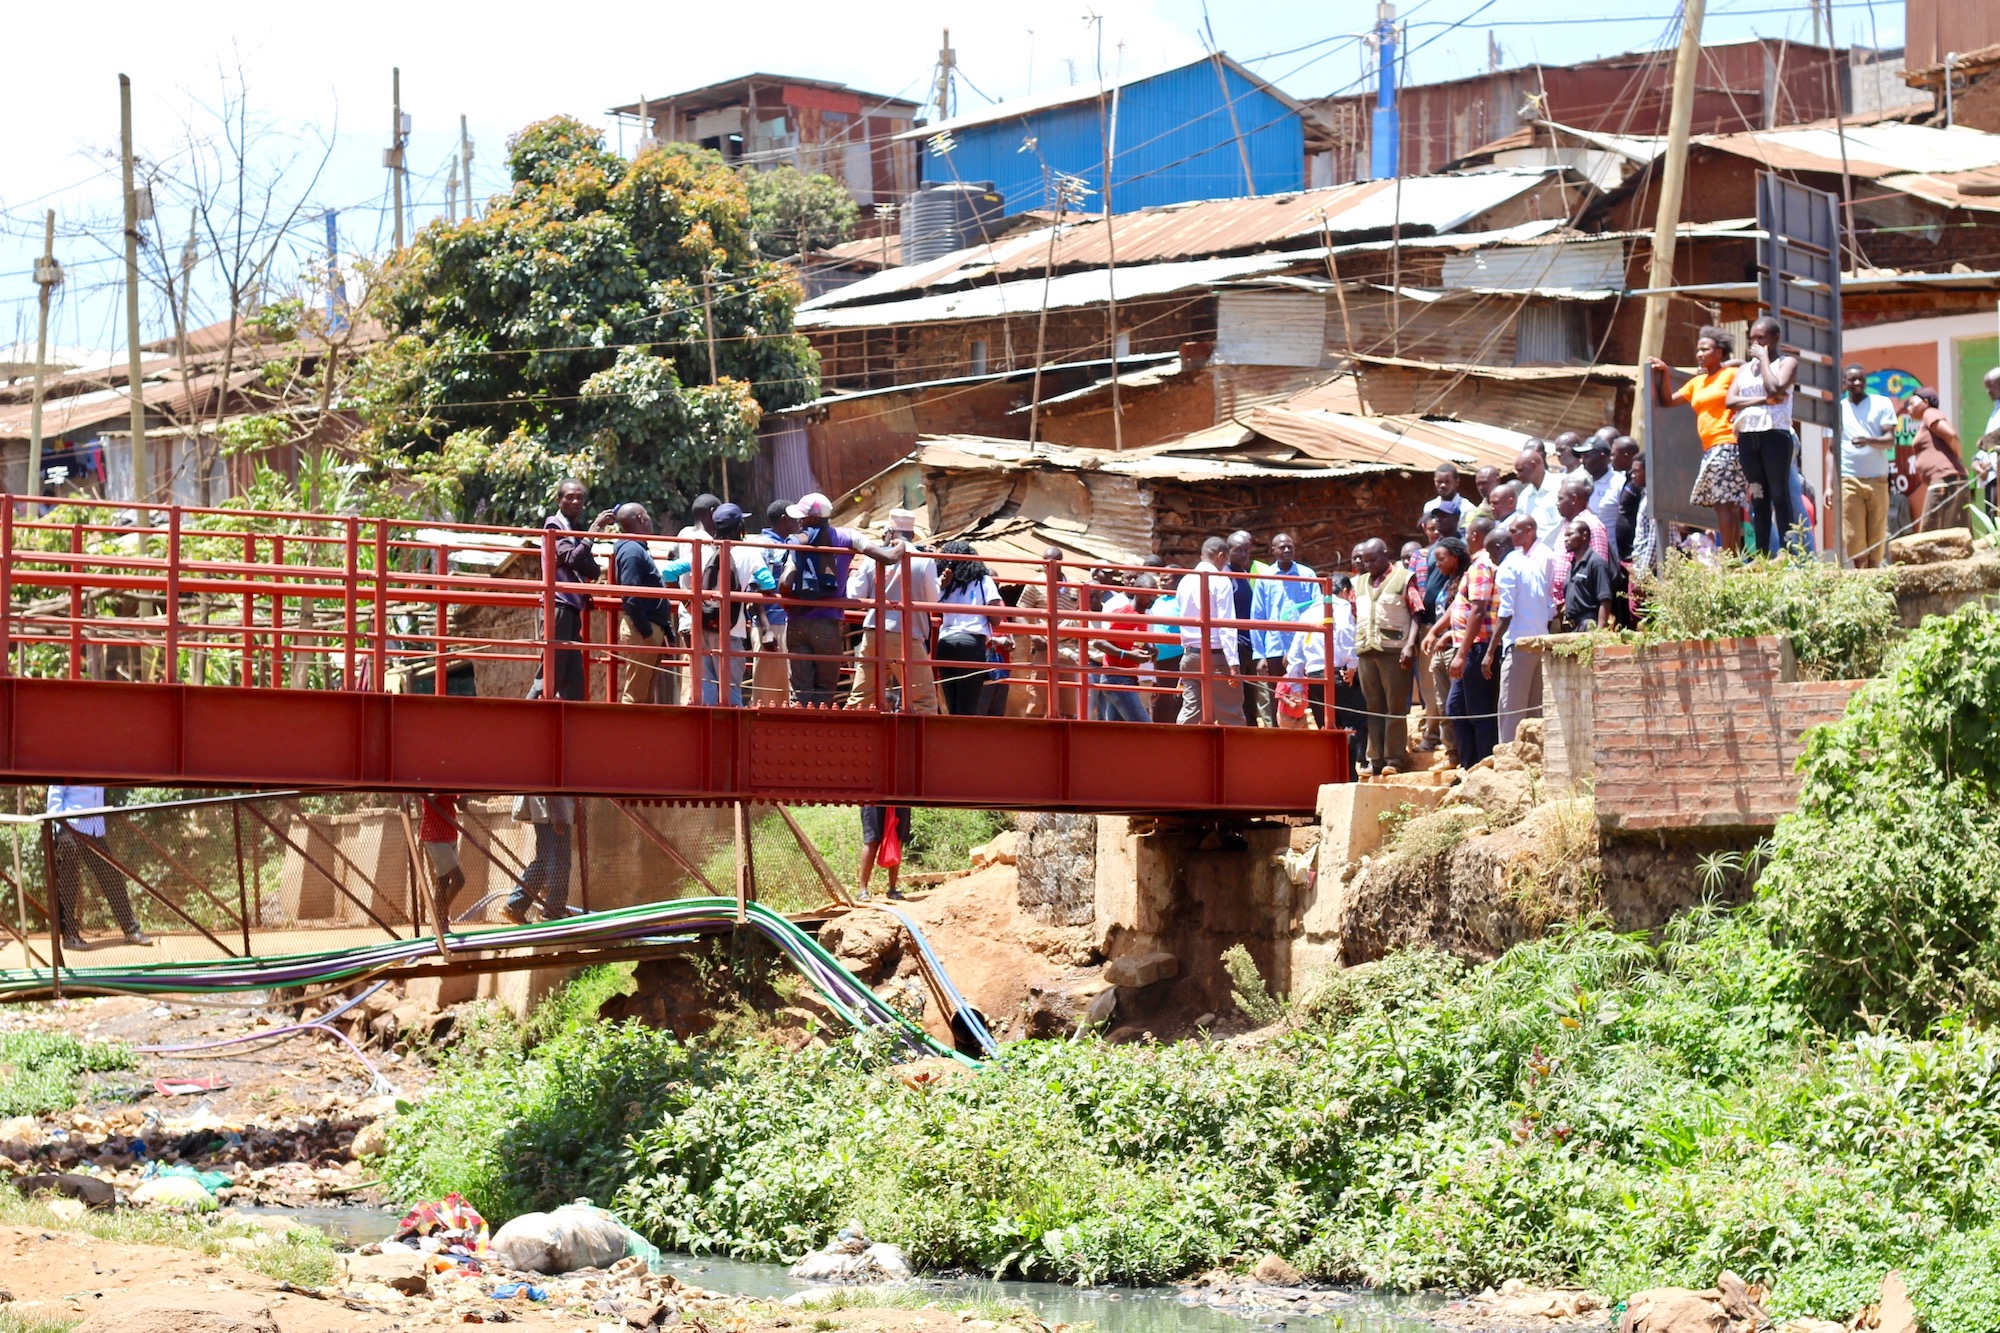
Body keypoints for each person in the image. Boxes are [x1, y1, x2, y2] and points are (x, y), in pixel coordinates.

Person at [778, 492, 902, 707]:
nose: (799, 521)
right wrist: (901, 545)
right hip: (829, 623)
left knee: (800, 692)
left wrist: (791, 602)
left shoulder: (798, 542)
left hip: (798, 622)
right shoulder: (849, 536)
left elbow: (784, 584)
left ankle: (798, 722)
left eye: (802, 517)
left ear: (812, 519)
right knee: (825, 692)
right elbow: (888, 557)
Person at [1648, 327, 1744, 552]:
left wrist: (1725, 364)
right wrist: (1665, 372)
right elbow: (1668, 401)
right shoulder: (1697, 382)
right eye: (1698, 350)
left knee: (1725, 504)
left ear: (1719, 352)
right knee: (1725, 505)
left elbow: (1744, 365)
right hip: (1710, 447)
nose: (1700, 354)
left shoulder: (1730, 374)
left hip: (1727, 443)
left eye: (1705, 349)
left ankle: (1729, 557)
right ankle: (1732, 557)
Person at [846, 509, 940, 713]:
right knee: (923, 700)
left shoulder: (872, 559)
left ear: (889, 533)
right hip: (906, 635)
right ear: (912, 534)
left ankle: (847, 728)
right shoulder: (925, 560)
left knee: (862, 698)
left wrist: (852, 577)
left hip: (874, 633)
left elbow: (854, 595)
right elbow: (933, 600)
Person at [527, 478, 610, 702]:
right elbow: (573, 558)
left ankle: (575, 716)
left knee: (574, 675)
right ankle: (526, 712)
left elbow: (592, 569)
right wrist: (593, 531)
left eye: (579, 498)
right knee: (551, 670)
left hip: (572, 606)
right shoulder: (554, 525)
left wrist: (578, 552)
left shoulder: (575, 529)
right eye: (569, 497)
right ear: (558, 500)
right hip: (558, 604)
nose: (575, 502)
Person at [1725, 316, 1802, 555]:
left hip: (1775, 434)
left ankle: (1788, 553)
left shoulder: (1786, 363)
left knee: (1779, 494)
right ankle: (1762, 554)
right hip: (1749, 436)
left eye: (1762, 338)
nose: (1756, 344)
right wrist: (1763, 400)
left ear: (1775, 338)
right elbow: (1730, 401)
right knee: (1758, 497)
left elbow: (1774, 387)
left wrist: (1765, 360)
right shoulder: (1744, 369)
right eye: (1753, 340)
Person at [692, 503, 777, 707]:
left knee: (707, 686)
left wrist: (687, 603)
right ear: (741, 528)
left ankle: (708, 724)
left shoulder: (702, 550)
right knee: (731, 690)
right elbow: (768, 583)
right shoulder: (748, 553)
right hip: (730, 629)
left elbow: (669, 572)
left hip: (701, 626)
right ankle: (731, 726)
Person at [47, 784, 149, 951]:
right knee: (68, 882)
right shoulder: (65, 766)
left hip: (94, 828)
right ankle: (70, 936)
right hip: (70, 826)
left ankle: (131, 930)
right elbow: (55, 793)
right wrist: (59, 827)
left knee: (111, 875)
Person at [1485, 513, 1555, 745]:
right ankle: (1535, 758)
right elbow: (1549, 608)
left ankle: (1508, 759)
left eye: (1490, 553)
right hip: (1539, 645)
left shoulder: (1507, 568)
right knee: (1534, 713)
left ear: (1497, 548)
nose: (1491, 559)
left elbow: (1506, 612)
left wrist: (1490, 651)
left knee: (1511, 712)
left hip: (1519, 647)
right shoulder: (1531, 565)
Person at [610, 503, 687, 705]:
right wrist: (647, 631)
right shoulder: (632, 550)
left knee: (644, 691)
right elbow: (631, 594)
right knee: (636, 692)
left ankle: (640, 725)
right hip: (642, 630)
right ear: (641, 519)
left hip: (649, 628)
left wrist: (664, 630)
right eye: (647, 515)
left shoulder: (637, 548)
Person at [1351, 538, 1416, 777]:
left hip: (1394, 651)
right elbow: (1355, 613)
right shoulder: (1359, 583)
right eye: (1364, 560)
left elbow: (1417, 612)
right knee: (1373, 707)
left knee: (1395, 706)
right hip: (1367, 652)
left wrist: (1410, 645)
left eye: (1373, 560)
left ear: (1385, 555)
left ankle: (1394, 759)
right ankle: (1375, 759)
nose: (1368, 564)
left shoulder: (1403, 578)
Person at [1447, 524, 1505, 767]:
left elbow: (1478, 610)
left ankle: (1484, 765)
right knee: (1456, 708)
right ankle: (1469, 766)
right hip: (1469, 645)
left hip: (1477, 645)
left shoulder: (1482, 565)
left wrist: (1461, 654)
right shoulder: (1478, 564)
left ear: (1474, 536)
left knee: (1479, 712)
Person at [1174, 536, 1246, 726]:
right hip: (1216, 656)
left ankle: (1178, 743)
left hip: (1190, 656)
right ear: (1220, 556)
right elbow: (1226, 623)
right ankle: (1235, 746)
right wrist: (1234, 663)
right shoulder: (1221, 581)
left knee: (1191, 711)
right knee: (1230, 712)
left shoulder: (1185, 581)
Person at [934, 540, 1003, 716]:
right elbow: (996, 619)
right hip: (972, 644)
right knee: (968, 708)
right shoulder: (984, 580)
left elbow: (929, 605)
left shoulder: (943, 584)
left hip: (945, 644)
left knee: (952, 706)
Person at [1416, 535, 1468, 767]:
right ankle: (1452, 753)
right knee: (1443, 703)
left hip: (1456, 648)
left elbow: (1463, 614)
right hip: (1441, 648)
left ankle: (1465, 753)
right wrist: (1434, 633)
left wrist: (1445, 634)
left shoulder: (1466, 580)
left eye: (1441, 559)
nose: (1437, 565)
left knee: (1456, 704)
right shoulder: (1447, 583)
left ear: (1455, 558)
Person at [665, 494, 721, 705]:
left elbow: (671, 556)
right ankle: (696, 707)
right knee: (702, 671)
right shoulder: (707, 542)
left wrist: (682, 598)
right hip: (702, 614)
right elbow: (670, 568)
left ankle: (693, 705)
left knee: (694, 667)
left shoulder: (685, 533)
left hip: (688, 614)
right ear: (712, 513)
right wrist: (688, 601)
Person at [1013, 547, 1081, 719]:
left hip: (1068, 649)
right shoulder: (1035, 584)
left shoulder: (1074, 585)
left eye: (1051, 561)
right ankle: (1034, 732)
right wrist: (1033, 636)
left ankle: (1064, 731)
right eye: (1044, 561)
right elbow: (1019, 613)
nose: (1047, 565)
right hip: (1044, 646)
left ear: (1060, 562)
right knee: (1037, 695)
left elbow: (1082, 613)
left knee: (1067, 699)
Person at [1251, 533, 1317, 708]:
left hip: (1304, 648)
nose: (1287, 550)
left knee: (1312, 697)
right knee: (1278, 699)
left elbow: (1317, 610)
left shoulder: (1308, 575)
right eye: (1282, 547)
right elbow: (1257, 616)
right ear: (1273, 550)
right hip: (1275, 648)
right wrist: (1260, 655)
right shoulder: (1265, 578)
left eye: (1290, 546)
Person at [750, 500, 799, 708]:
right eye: (795, 517)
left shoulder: (791, 543)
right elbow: (754, 590)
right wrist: (766, 629)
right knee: (768, 695)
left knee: (788, 693)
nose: (799, 521)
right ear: (784, 519)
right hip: (772, 624)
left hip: (789, 623)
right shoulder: (762, 547)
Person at [1090, 573, 1156, 723]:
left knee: (1117, 730)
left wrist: (1150, 650)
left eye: (1154, 594)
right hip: (1116, 677)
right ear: (1137, 591)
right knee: (1144, 725)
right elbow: (1099, 642)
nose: (1153, 598)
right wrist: (1128, 655)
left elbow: (1136, 642)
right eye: (1149, 594)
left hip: (1128, 677)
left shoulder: (1144, 615)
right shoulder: (1124, 614)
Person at [1904, 388, 1971, 533]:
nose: (1908, 408)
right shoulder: (1926, 420)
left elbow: (1951, 435)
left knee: (1931, 535)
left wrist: (1958, 457)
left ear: (1925, 403)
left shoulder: (1930, 413)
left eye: (1912, 403)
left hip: (1946, 481)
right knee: (1952, 534)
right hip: (1949, 481)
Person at [501, 794, 573, 924]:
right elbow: (551, 784)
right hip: (552, 810)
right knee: (559, 862)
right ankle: (554, 912)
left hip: (548, 810)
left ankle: (516, 904)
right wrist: (557, 811)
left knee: (544, 861)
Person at [1224, 531, 1272, 726]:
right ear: (1227, 552)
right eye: (1238, 550)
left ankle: (1251, 732)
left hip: (1249, 643)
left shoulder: (1245, 575)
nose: (1244, 555)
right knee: (1234, 696)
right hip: (1234, 644)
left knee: (1251, 696)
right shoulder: (1224, 577)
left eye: (1246, 550)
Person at [1548, 476, 1610, 601]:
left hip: (1582, 601)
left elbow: (1598, 568)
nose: (1557, 503)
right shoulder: (1567, 523)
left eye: (1561, 499)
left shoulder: (1591, 524)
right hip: (1562, 602)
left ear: (1574, 499)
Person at [1561, 518, 1617, 631]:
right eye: (1565, 536)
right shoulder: (1573, 566)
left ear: (1584, 536)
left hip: (1589, 626)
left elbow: (1605, 599)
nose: (1566, 539)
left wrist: (1599, 632)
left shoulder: (1596, 563)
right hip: (1572, 628)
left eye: (1570, 535)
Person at [1145, 573, 1186, 723]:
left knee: (1172, 700)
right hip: (1155, 659)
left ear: (1178, 581)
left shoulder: (1182, 600)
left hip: (1175, 658)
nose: (1162, 583)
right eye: (1160, 580)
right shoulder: (1158, 600)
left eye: (1166, 580)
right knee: (1156, 698)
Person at [416, 793, 465, 910]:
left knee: (443, 881)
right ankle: (441, 913)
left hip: (450, 835)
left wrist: (464, 790)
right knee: (458, 880)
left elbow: (462, 805)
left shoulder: (450, 784)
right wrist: (447, 786)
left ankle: (440, 918)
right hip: (434, 836)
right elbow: (429, 797)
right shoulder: (432, 784)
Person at [1512, 446, 1562, 551]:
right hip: (1532, 554)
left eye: (1521, 470)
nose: (1518, 475)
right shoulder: (1525, 496)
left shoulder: (1560, 486)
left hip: (1558, 552)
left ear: (1533, 465)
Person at [858, 805, 913, 900]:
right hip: (874, 802)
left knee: (896, 839)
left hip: (900, 799)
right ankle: (862, 890)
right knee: (872, 840)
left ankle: (892, 889)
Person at [1574, 435, 1623, 535]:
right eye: (1582, 457)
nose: (1583, 461)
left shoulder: (1619, 483)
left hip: (1606, 542)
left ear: (1602, 458)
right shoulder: (1578, 480)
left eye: (1587, 456)